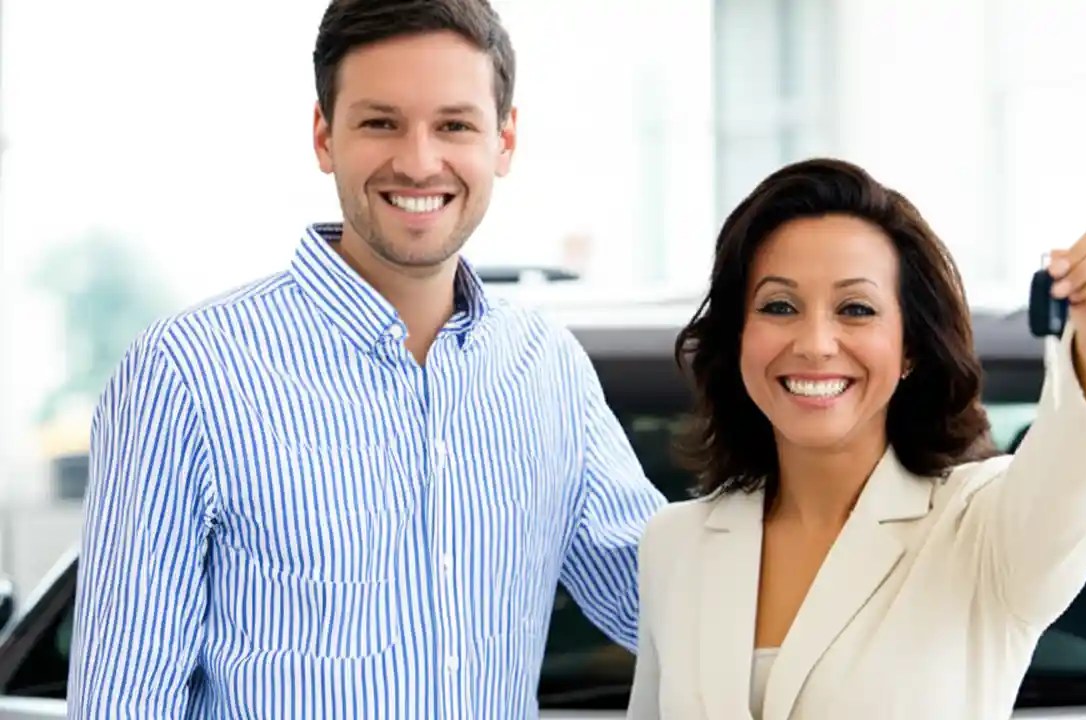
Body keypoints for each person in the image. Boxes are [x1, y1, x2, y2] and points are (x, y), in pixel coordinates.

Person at [65, 1, 665, 717]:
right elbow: (123, 700)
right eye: (381, 122)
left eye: (454, 125)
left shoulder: (547, 371)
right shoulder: (186, 374)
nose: (417, 161)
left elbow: (659, 604)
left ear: (504, 140)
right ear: (324, 136)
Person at [626, 158, 1086, 719]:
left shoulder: (983, 526)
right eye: (779, 306)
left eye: (855, 309)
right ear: (739, 335)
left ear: (910, 346)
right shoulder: (674, 546)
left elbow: (1074, 462)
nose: (815, 343)